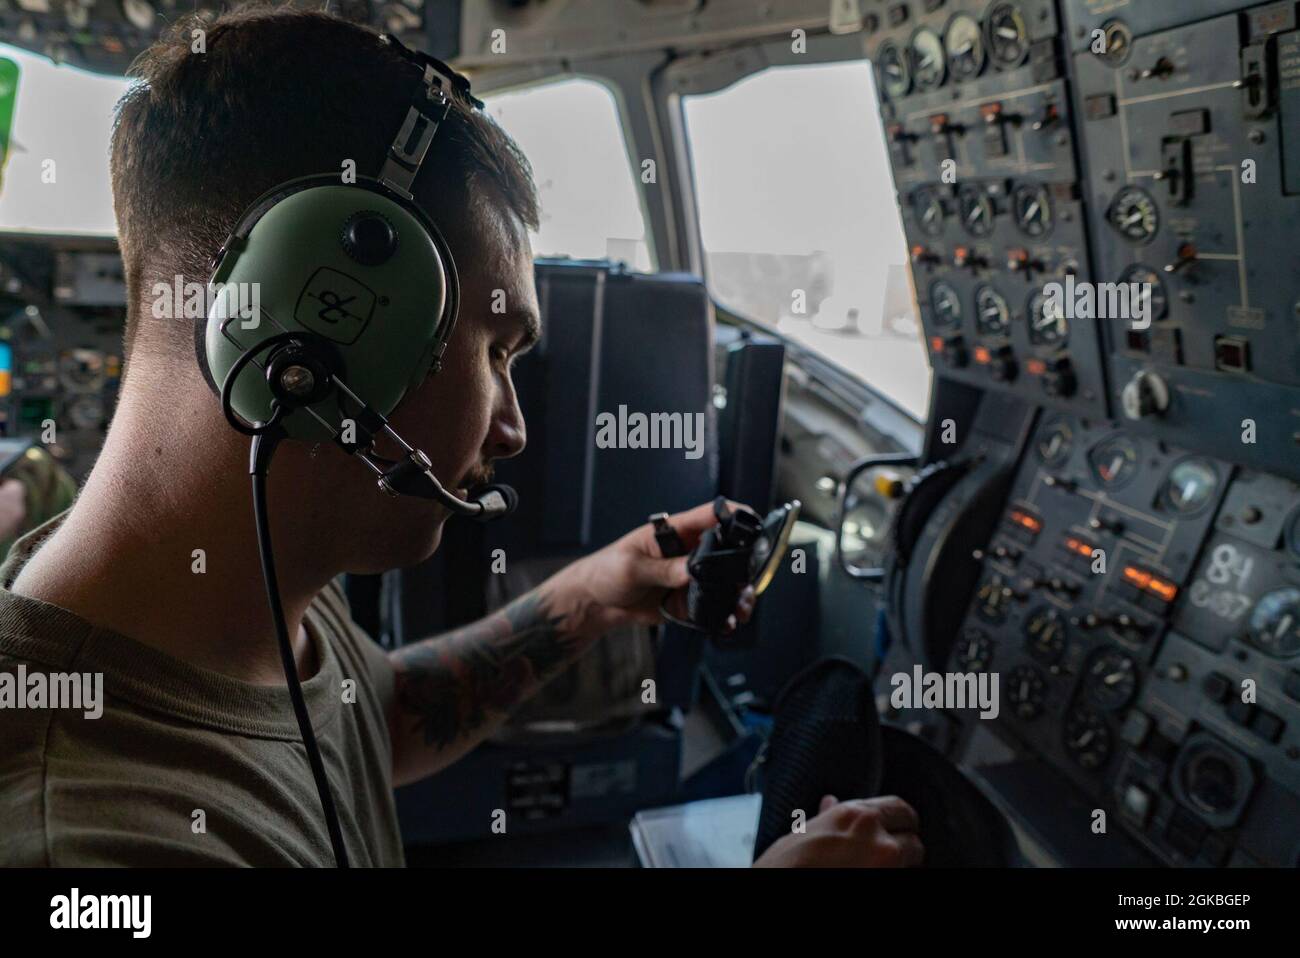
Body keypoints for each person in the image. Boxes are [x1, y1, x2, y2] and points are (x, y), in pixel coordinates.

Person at [0, 7, 921, 868]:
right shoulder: (86, 836)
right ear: (327, 320)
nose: (514, 428)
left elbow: (374, 717)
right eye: (498, 350)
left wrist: (598, 594)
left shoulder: (243, 583)